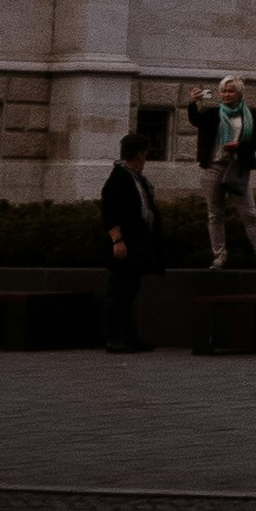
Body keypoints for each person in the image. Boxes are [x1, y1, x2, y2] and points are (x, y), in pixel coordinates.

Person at [188, 76, 256, 272]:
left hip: (238, 168)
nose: (226, 94)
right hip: (213, 167)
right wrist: (194, 101)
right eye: (223, 91)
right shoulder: (213, 113)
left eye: (231, 91)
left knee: (250, 214)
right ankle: (219, 257)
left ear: (239, 93)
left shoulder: (250, 115)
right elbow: (196, 120)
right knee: (215, 215)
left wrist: (240, 145)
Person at [98, 131, 163, 352]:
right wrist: (118, 241)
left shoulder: (136, 178)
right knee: (117, 292)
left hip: (136, 243)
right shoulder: (119, 179)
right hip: (124, 245)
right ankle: (114, 338)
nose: (146, 158)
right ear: (138, 154)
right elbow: (109, 213)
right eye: (145, 153)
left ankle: (129, 336)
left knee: (129, 291)